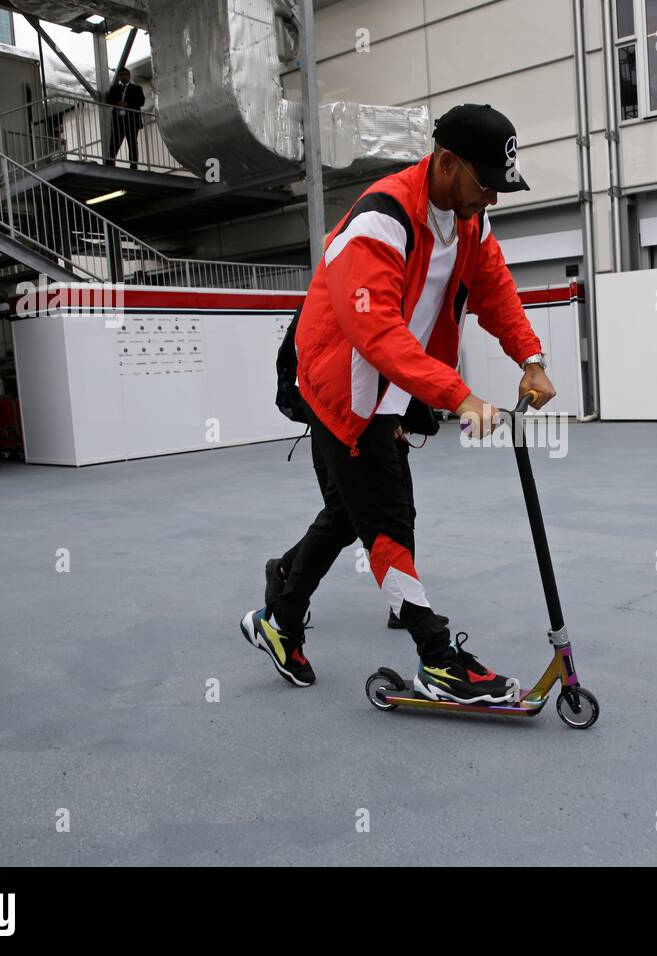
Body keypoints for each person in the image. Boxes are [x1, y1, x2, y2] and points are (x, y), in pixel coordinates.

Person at [240, 104, 557, 706]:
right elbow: (376, 332)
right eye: (486, 183)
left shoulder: (469, 221)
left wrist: (531, 359)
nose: (492, 198)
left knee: (351, 508)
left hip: (395, 388)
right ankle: (436, 657)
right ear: (445, 163)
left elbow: (495, 292)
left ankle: (281, 606)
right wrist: (459, 396)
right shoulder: (380, 220)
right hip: (341, 389)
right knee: (385, 519)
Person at [104, 68, 144, 168]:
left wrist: (127, 104)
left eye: (125, 74)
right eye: (121, 75)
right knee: (114, 143)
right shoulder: (114, 88)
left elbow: (141, 101)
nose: (123, 76)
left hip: (132, 121)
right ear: (119, 77)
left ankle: (133, 165)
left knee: (132, 143)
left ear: (129, 76)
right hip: (118, 121)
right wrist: (118, 103)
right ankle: (110, 163)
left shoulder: (136, 88)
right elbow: (108, 100)